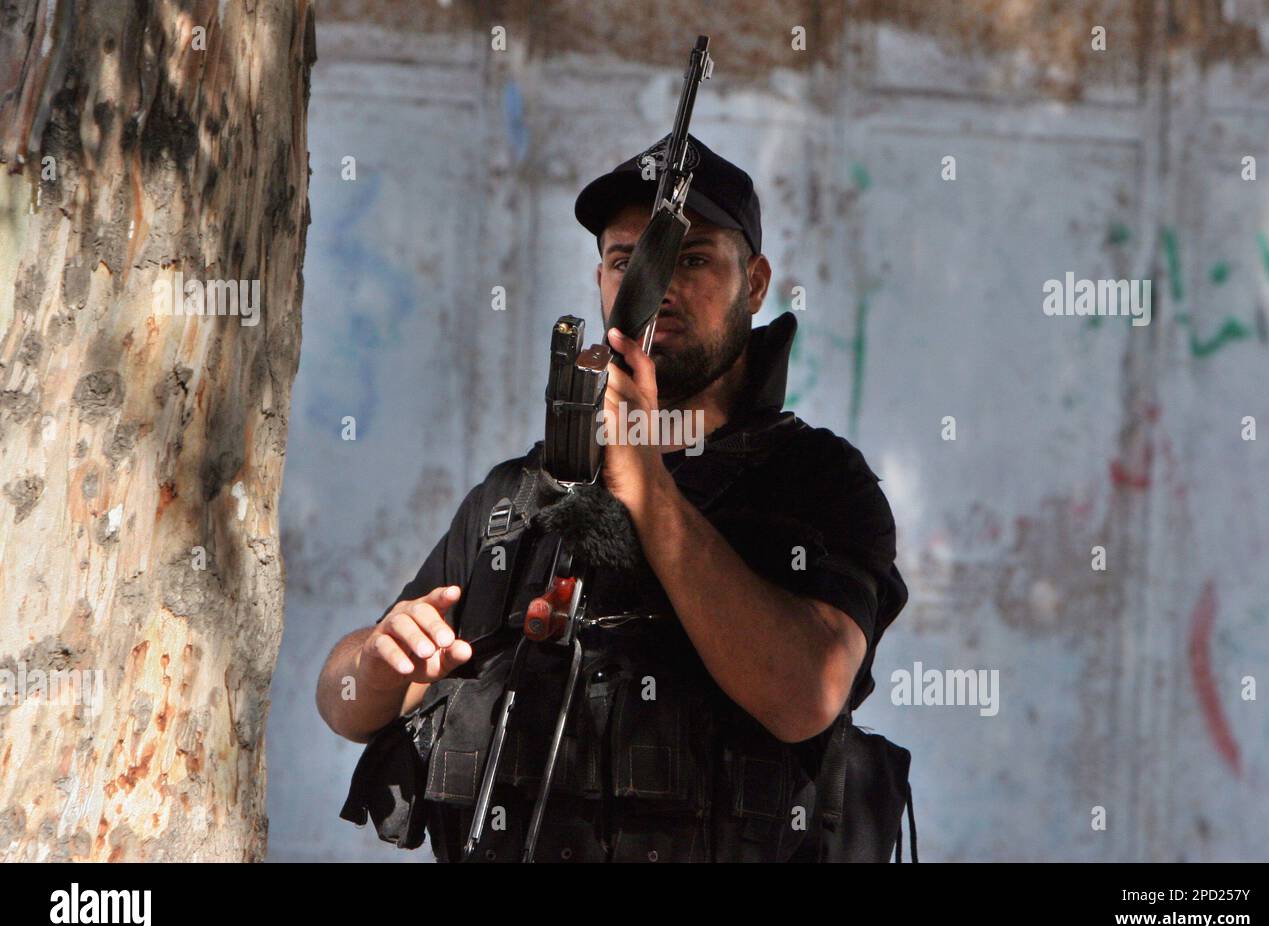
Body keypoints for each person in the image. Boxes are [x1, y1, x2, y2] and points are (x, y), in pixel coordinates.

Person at [318, 134, 910, 862]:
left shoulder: (817, 484)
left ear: (754, 284)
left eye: (688, 259)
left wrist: (647, 487)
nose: (654, 287)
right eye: (627, 261)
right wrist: (378, 664)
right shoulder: (523, 491)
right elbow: (342, 701)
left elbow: (803, 695)